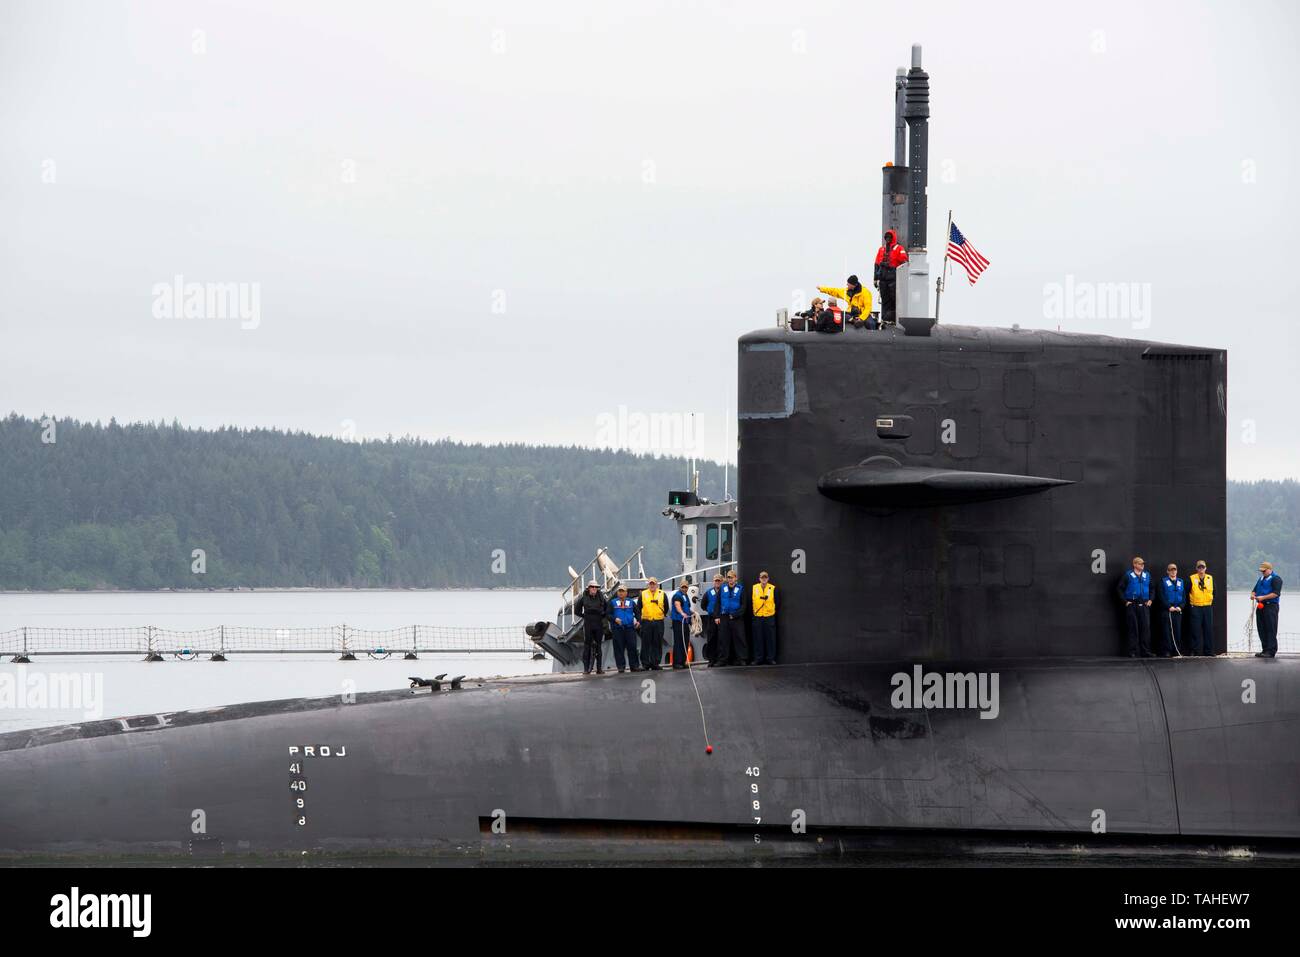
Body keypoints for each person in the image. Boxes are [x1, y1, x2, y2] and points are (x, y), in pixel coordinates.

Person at [1117, 556, 1153, 658]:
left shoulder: (1147, 575)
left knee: (1145, 629)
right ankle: (1133, 651)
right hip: (1132, 605)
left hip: (1144, 605)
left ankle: (1145, 651)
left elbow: (1152, 588)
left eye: (1143, 563)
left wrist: (1150, 600)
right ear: (1134, 564)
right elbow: (1119, 588)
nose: (1142, 565)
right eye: (1140, 563)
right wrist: (1125, 601)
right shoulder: (1128, 575)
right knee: (1133, 629)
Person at [711, 569, 748, 666]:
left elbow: (744, 605)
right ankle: (723, 660)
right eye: (728, 577)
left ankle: (741, 659)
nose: (730, 579)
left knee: (739, 638)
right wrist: (716, 616)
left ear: (735, 578)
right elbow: (717, 603)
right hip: (724, 617)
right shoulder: (723, 588)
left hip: (736, 618)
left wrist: (735, 615)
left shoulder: (741, 589)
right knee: (723, 639)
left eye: (731, 577)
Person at [874, 229, 908, 326]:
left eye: (890, 237)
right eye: (887, 237)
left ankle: (893, 318)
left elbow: (904, 262)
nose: (888, 239)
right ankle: (886, 318)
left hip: (893, 279)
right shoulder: (881, 249)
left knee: (894, 299)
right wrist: (875, 278)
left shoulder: (899, 248)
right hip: (883, 279)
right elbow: (876, 264)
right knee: (885, 299)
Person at [574, 581, 608, 674]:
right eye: (592, 587)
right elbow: (577, 610)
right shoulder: (583, 597)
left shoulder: (601, 597)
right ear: (588, 588)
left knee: (599, 646)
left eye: (595, 587)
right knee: (587, 645)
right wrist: (584, 616)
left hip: (598, 623)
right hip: (588, 623)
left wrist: (602, 615)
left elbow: (607, 608)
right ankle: (586, 669)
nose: (594, 588)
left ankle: (599, 668)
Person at [1251, 561, 1283, 659]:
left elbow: (1276, 593)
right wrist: (1252, 595)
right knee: (1261, 628)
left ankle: (1271, 650)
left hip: (1271, 606)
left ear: (1269, 569)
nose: (1262, 573)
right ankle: (1265, 649)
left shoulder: (1276, 579)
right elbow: (1254, 590)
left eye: (1264, 571)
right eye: (1261, 571)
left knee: (1270, 629)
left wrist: (1263, 598)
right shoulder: (1260, 579)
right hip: (1261, 606)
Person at [637, 577, 667, 670]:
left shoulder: (662, 594)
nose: (652, 585)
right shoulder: (643, 594)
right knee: (646, 643)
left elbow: (666, 607)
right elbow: (638, 608)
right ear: (648, 585)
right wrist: (640, 620)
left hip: (658, 621)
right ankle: (645, 664)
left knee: (657, 643)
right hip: (646, 621)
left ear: (657, 585)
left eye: (653, 583)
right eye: (650, 584)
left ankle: (655, 663)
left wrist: (660, 615)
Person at [1156, 563, 1186, 657]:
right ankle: (1167, 650)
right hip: (1167, 609)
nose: (1173, 571)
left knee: (1177, 631)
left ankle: (1177, 650)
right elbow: (1161, 596)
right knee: (1167, 631)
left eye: (1174, 570)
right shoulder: (1163, 581)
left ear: (1177, 571)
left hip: (1177, 609)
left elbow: (1184, 597)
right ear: (1168, 571)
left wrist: (1181, 606)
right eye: (1171, 570)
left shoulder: (1181, 582)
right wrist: (1168, 606)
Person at [609, 585, 640, 673]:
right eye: (619, 591)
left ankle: (634, 666)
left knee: (632, 647)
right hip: (618, 629)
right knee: (619, 648)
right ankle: (621, 667)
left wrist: (638, 621)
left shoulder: (631, 602)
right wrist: (615, 619)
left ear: (626, 593)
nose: (621, 593)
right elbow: (608, 614)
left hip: (630, 628)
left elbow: (637, 613)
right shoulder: (612, 602)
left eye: (623, 591)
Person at [1186, 560, 1214, 656]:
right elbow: (1186, 592)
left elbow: (1215, 592)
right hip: (1196, 607)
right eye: (1199, 567)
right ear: (1196, 568)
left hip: (1207, 607)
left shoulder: (1210, 578)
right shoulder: (1191, 578)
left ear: (1205, 568)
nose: (1201, 569)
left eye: (1203, 567)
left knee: (1208, 629)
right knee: (1195, 630)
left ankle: (1208, 651)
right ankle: (1194, 651)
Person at [750, 570, 777, 665]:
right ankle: (758, 658)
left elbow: (777, 602)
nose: (764, 579)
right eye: (762, 577)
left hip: (769, 617)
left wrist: (771, 611)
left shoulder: (773, 588)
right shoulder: (754, 588)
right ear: (759, 579)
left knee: (770, 639)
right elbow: (751, 601)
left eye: (765, 577)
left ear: (768, 579)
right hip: (758, 617)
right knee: (758, 639)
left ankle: (770, 658)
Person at [670, 579, 693, 670]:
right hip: (679, 622)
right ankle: (677, 663)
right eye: (682, 587)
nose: (684, 589)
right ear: (680, 587)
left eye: (685, 587)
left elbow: (687, 607)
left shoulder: (685, 596)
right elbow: (677, 605)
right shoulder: (677, 596)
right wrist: (682, 613)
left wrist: (692, 612)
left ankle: (683, 661)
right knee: (679, 642)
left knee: (685, 642)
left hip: (685, 622)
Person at [701, 574, 724, 663]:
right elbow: (703, 605)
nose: (717, 582)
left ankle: (721, 659)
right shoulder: (708, 593)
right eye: (716, 581)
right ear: (713, 582)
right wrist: (710, 610)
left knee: (721, 639)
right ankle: (712, 659)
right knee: (711, 639)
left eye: (719, 581)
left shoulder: (724, 592)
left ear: (722, 582)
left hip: (722, 618)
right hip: (712, 619)